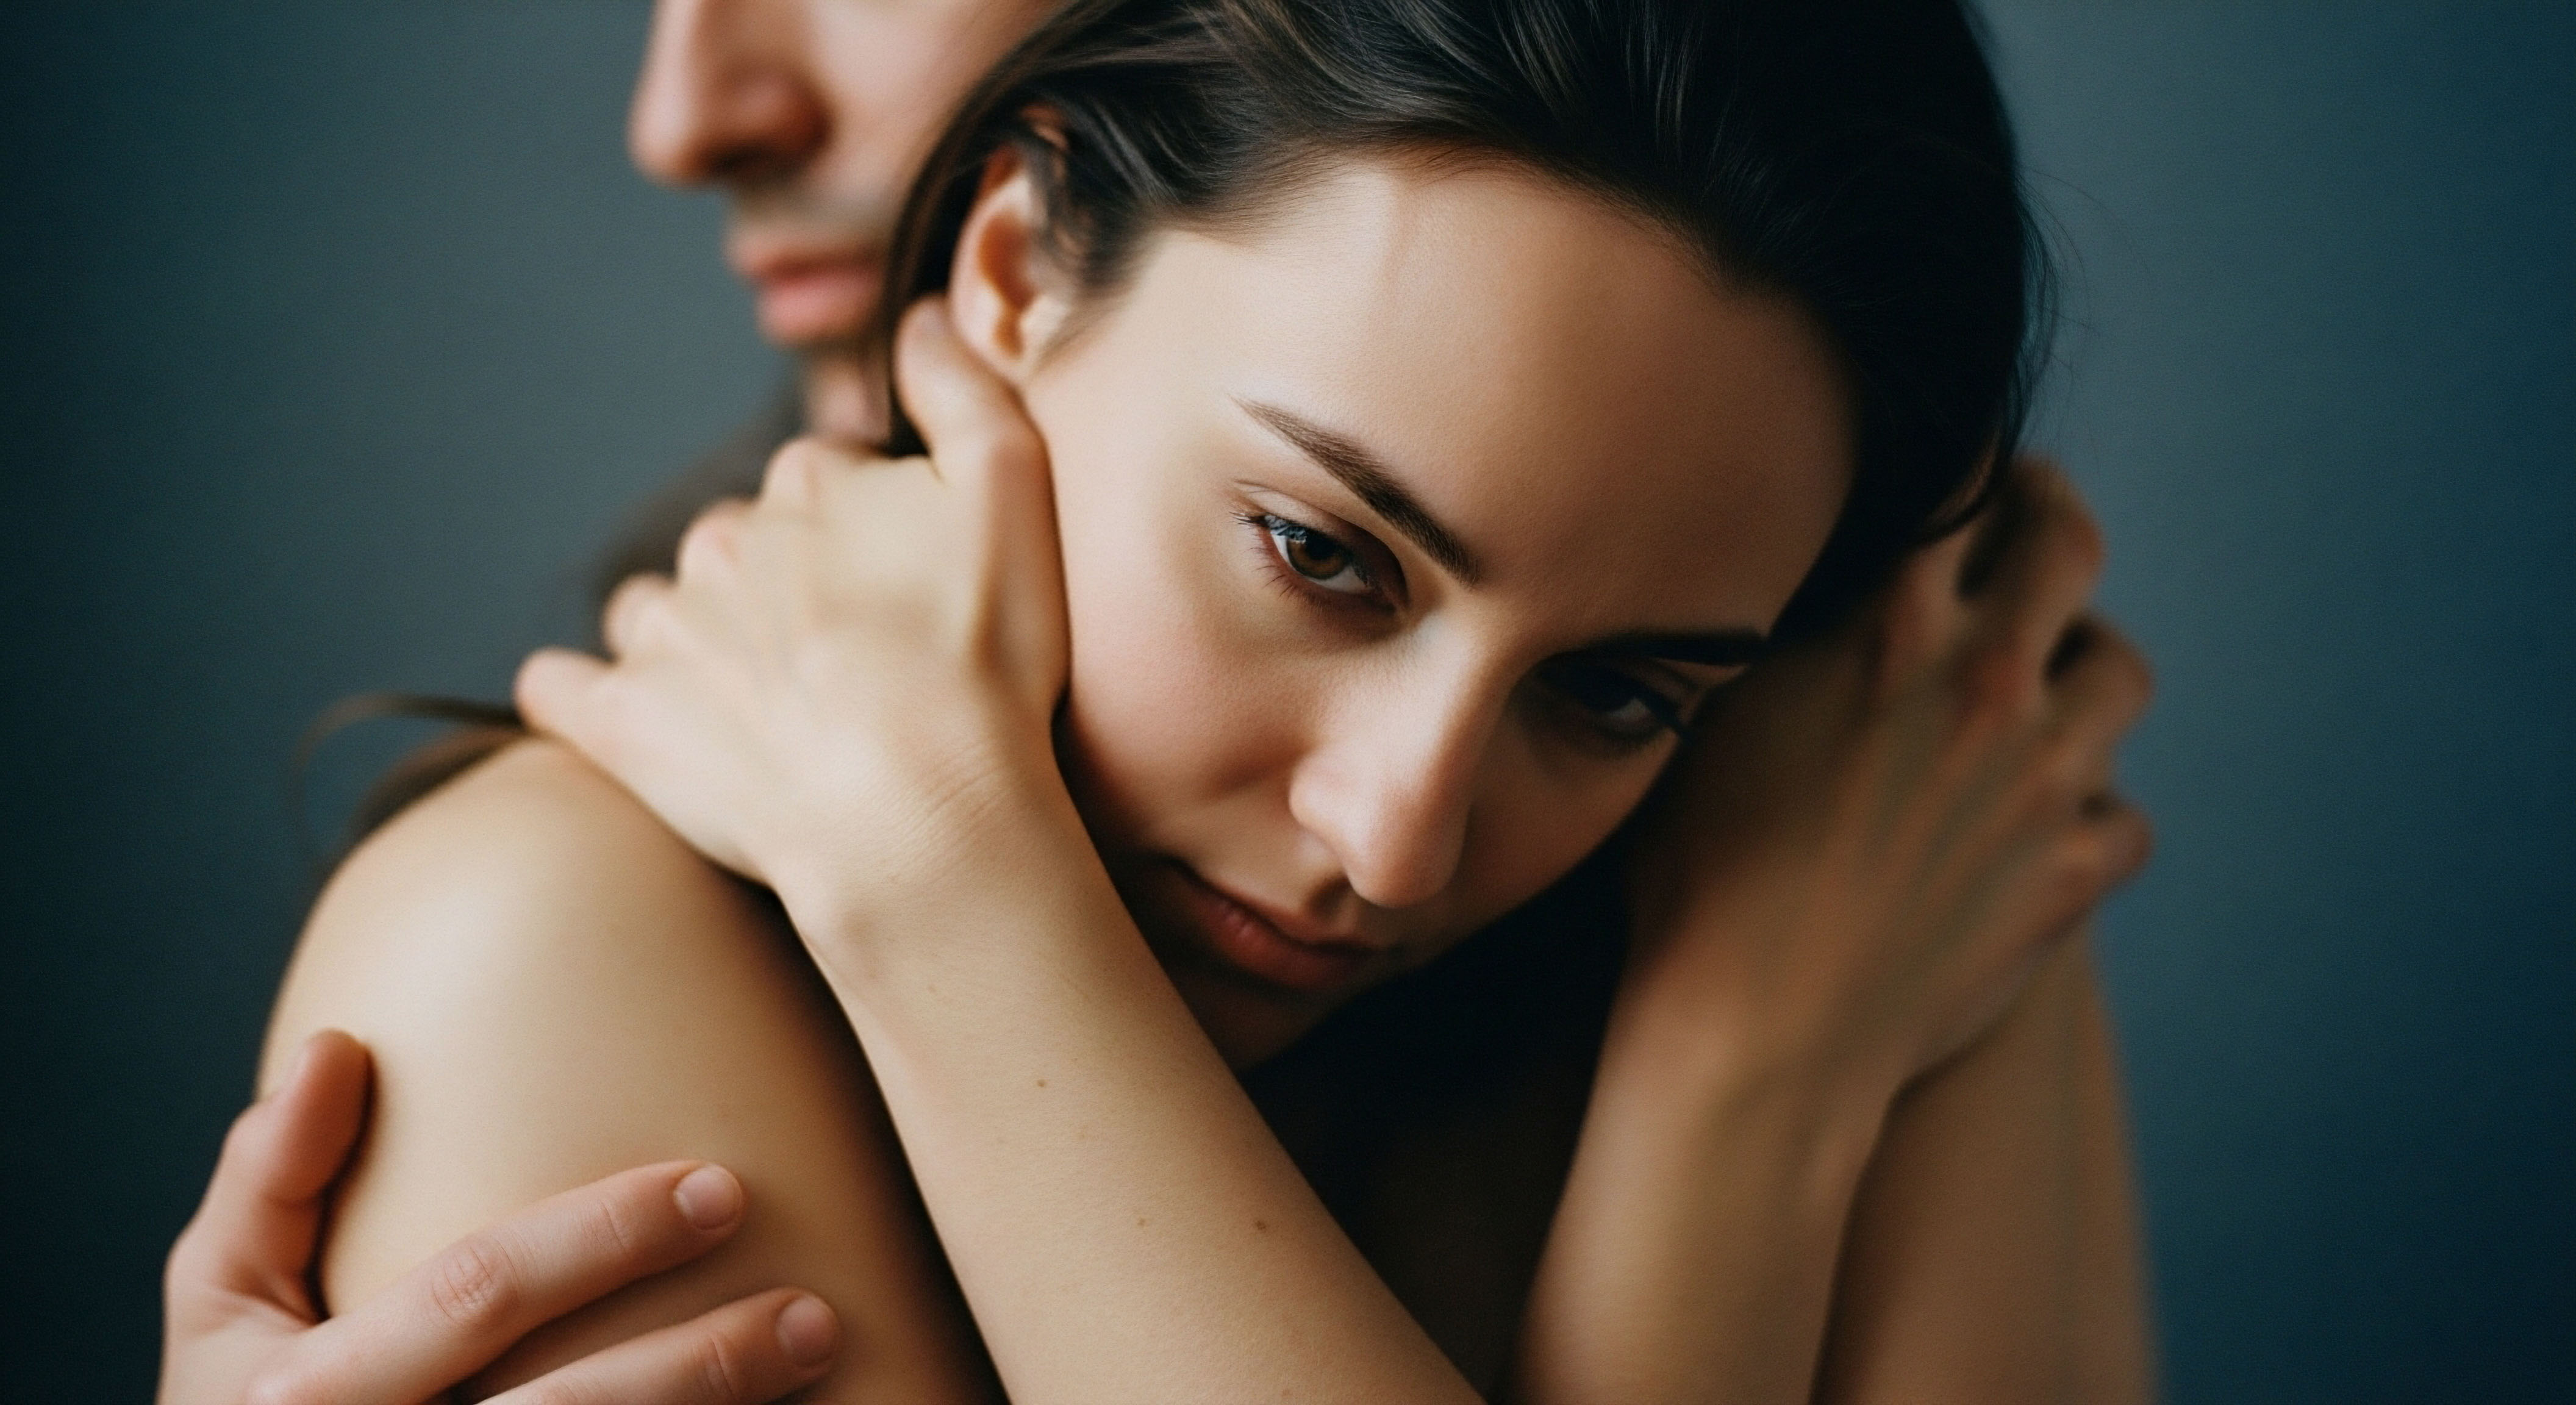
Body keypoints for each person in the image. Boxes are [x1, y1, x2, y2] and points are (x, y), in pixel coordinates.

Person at [164, 0, 2158, 1400]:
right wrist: (1742, 1148)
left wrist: (1752, 1075)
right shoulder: (558, 948)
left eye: (1619, 694)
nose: (1400, 835)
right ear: (1018, 273)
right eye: (1321, 553)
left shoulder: (1861, 860)